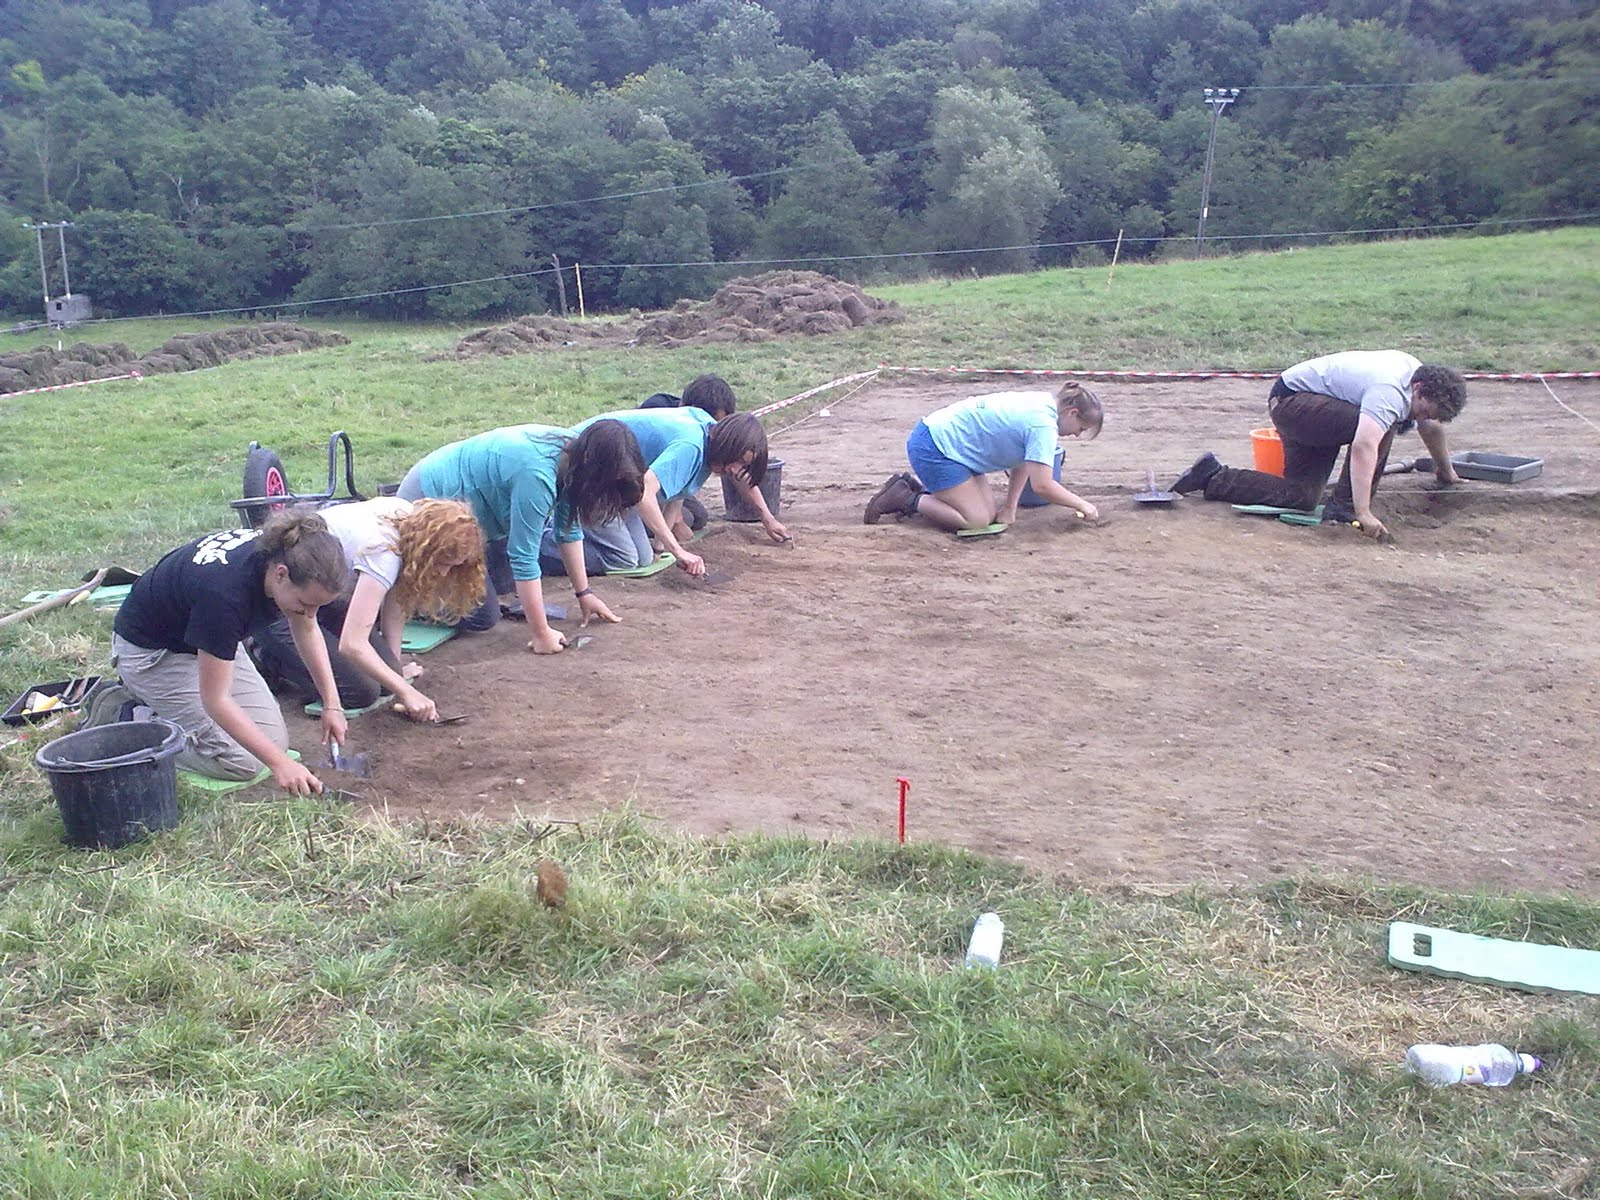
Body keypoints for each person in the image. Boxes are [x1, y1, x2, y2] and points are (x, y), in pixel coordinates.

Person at [104, 508, 349, 794]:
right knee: (243, 763)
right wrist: (281, 766)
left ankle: (169, 713)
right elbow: (215, 699)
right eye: (305, 604)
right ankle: (130, 718)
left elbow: (306, 628)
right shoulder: (224, 595)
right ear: (281, 575)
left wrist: (332, 704)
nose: (311, 613)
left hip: (208, 642)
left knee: (274, 745)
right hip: (153, 653)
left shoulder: (286, 555)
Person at [1168, 351, 1467, 541]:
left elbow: (1431, 428)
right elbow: (1364, 445)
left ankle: (1213, 476)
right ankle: (1345, 510)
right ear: (1419, 388)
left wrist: (1447, 472)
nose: (1422, 418)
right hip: (1294, 402)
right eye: (1424, 409)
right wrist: (1361, 510)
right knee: (1380, 426)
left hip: (1314, 406)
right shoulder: (1390, 391)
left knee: (1302, 496)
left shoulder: (1418, 381)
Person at [398, 421, 643, 653]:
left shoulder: (577, 459)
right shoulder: (537, 476)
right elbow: (523, 558)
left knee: (505, 584)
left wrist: (584, 594)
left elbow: (567, 531)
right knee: (482, 615)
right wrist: (541, 633)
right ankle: (403, 600)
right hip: (429, 505)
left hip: (477, 520)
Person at [250, 498, 486, 722]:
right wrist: (406, 692)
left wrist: (395, 671)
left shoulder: (407, 520)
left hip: (323, 596)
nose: (444, 573)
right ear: (427, 549)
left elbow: (397, 599)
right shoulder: (383, 553)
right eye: (442, 563)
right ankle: (267, 654)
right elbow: (353, 644)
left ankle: (294, 649)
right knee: (360, 692)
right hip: (282, 597)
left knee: (386, 677)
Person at [560, 408, 782, 576]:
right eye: (737, 462)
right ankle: (547, 545)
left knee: (644, 558)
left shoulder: (713, 432)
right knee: (624, 558)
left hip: (618, 484)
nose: (735, 471)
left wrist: (767, 517)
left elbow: (678, 493)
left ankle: (573, 534)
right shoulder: (691, 447)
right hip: (585, 465)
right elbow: (645, 492)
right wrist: (678, 551)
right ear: (728, 446)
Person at [863, 381, 1104, 530]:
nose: (1077, 435)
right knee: (976, 521)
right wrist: (1083, 505)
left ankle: (919, 490)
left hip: (955, 447)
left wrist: (1010, 507)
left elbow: (1022, 461)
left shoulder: (1044, 403)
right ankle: (905, 498)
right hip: (935, 447)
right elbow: (1042, 486)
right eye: (1081, 429)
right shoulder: (1043, 425)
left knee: (989, 515)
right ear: (1072, 413)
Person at [637, 374, 740, 530]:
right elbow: (649, 479)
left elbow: (681, 484)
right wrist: (674, 525)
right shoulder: (660, 411)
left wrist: (765, 515)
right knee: (680, 518)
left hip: (662, 480)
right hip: (638, 478)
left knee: (698, 517)